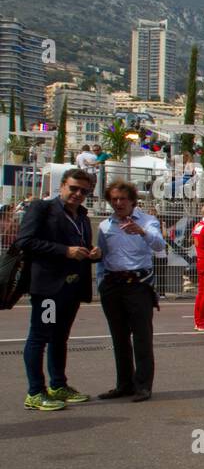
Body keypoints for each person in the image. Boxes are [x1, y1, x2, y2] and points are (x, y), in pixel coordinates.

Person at [16, 169, 101, 411]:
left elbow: (81, 248)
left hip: (71, 288)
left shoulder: (83, 216)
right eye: (73, 188)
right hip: (49, 289)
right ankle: (35, 391)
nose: (77, 194)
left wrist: (93, 253)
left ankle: (58, 384)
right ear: (62, 186)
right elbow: (25, 241)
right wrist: (65, 250)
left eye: (83, 191)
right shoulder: (42, 209)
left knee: (60, 337)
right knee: (40, 336)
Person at [95, 181, 165, 402]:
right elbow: (101, 256)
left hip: (138, 285)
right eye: (114, 199)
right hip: (112, 285)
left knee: (142, 337)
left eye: (123, 199)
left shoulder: (148, 221)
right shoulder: (105, 226)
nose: (118, 203)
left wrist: (142, 232)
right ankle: (124, 384)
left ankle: (143, 385)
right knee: (119, 337)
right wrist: (100, 282)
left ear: (133, 200)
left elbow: (159, 245)